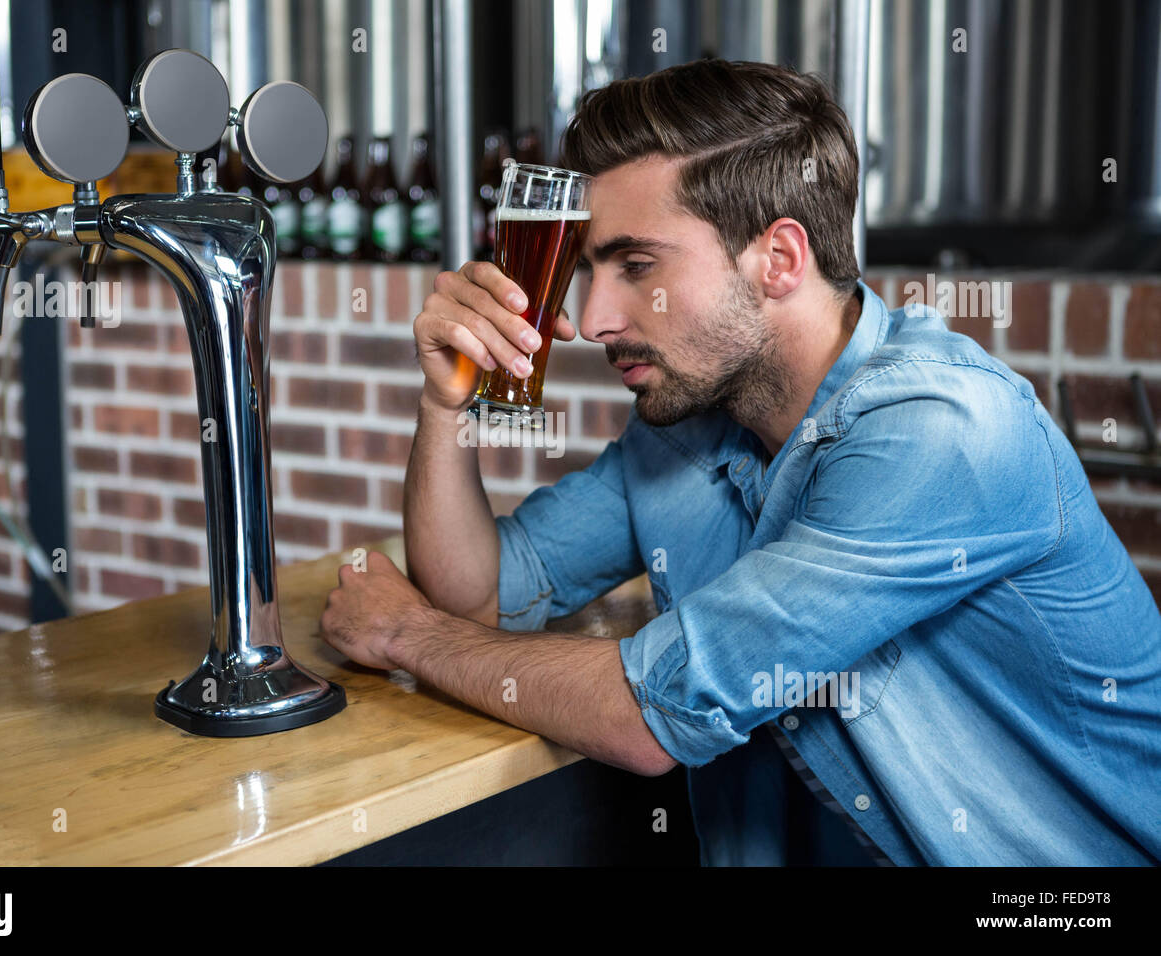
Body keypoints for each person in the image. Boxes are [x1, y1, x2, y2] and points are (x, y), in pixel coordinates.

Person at [318, 58, 1161, 865]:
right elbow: (484, 590)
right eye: (587, 268)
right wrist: (443, 404)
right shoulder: (693, 421)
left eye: (635, 266)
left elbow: (649, 712)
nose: (595, 317)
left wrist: (405, 633)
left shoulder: (942, 431)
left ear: (779, 260)